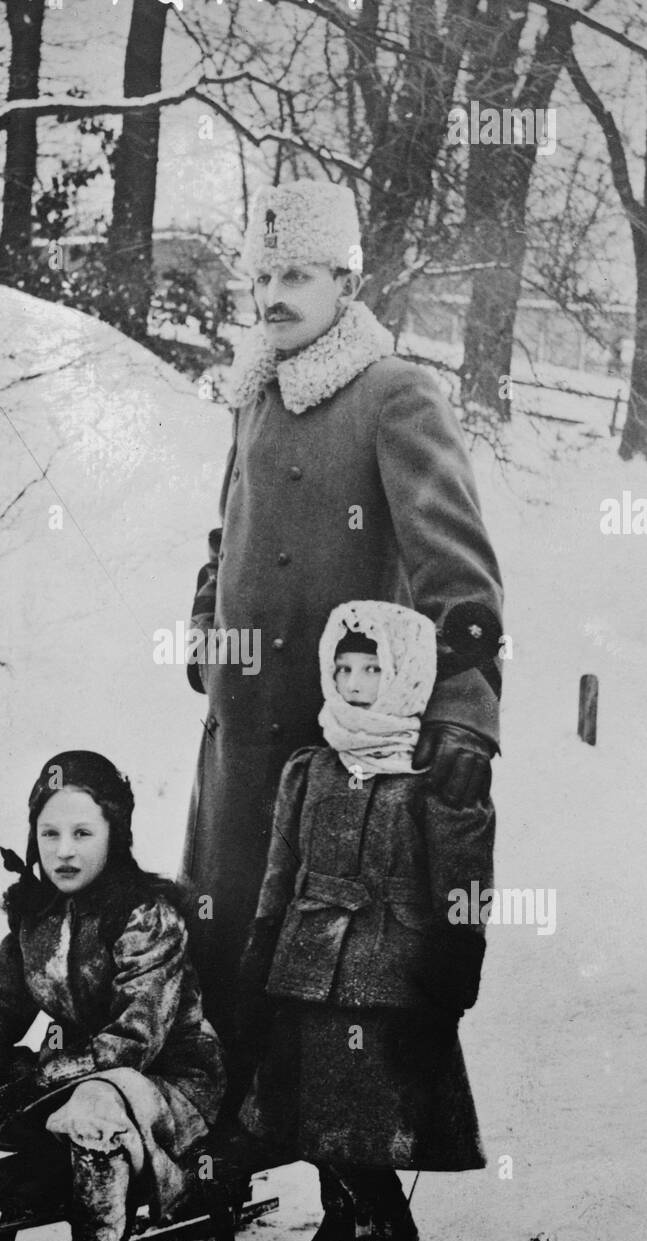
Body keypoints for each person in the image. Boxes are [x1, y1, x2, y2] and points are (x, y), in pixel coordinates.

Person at [181, 179, 503, 1056]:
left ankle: (356, 1185)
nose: (271, 295)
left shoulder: (393, 393)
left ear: (347, 286)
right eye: (261, 275)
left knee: (331, 998)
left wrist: (462, 722)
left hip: (340, 753)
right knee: (218, 969)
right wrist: (207, 633)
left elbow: (460, 583)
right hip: (239, 740)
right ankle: (214, 1154)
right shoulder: (254, 392)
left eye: (297, 274)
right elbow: (226, 531)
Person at [220, 599, 494, 1241]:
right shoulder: (308, 768)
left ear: (403, 673)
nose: (354, 682)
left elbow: (461, 879)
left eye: (371, 668)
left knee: (359, 1127)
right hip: (305, 969)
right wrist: (261, 950)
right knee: (312, 1120)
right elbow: (280, 870)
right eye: (343, 667)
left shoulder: (435, 774)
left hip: (387, 978)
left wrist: (451, 969)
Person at [0, 750, 225, 1241]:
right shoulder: (38, 912)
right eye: (49, 834)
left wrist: (24, 1089)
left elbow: (133, 1040)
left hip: (164, 1084)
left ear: (114, 835)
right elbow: (1, 1005)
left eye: (82, 833)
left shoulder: (146, 916)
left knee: (92, 1108)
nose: (63, 851)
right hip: (70, 1072)